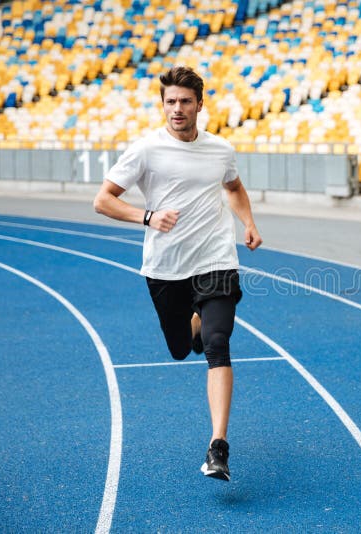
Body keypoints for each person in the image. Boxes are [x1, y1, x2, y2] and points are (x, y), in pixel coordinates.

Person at [93, 65, 262, 481]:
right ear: (163, 105)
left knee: (218, 344)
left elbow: (234, 188)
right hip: (166, 267)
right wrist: (147, 216)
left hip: (216, 259)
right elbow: (103, 201)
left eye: (186, 101)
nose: (177, 109)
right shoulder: (145, 150)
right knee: (180, 347)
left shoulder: (220, 149)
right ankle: (195, 321)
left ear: (200, 105)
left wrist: (249, 223)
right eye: (170, 102)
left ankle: (217, 448)